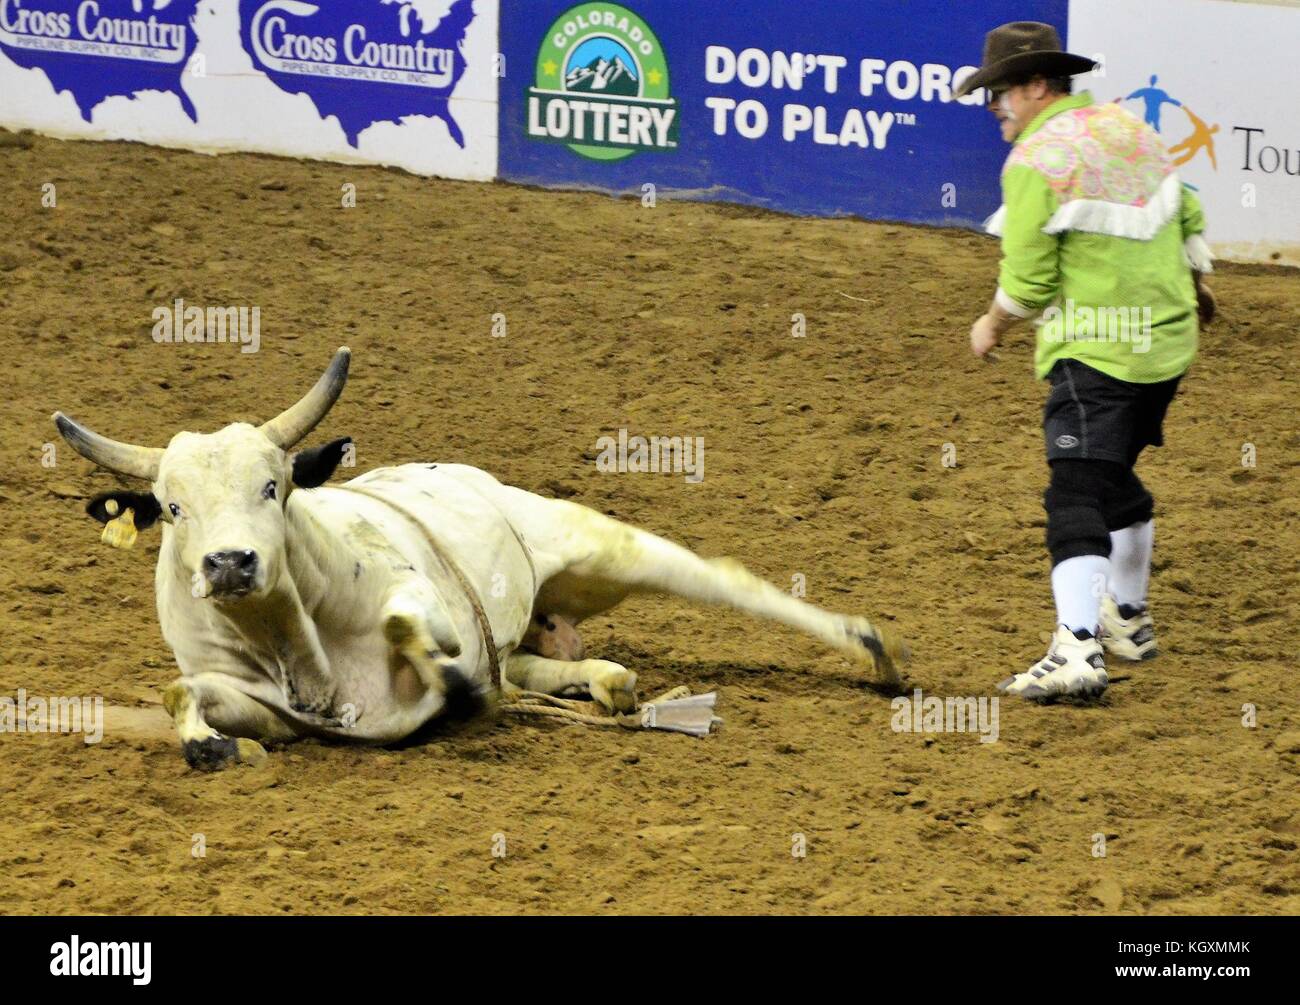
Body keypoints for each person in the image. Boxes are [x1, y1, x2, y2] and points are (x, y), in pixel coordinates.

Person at [954, 22, 1216, 701]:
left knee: (1072, 492)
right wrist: (1198, 280)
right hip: (1166, 347)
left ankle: (1076, 648)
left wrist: (991, 324)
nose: (994, 109)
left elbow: (1031, 282)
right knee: (1109, 478)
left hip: (1095, 350)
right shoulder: (1132, 131)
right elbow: (1187, 210)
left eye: (1001, 94)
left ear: (1038, 86)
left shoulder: (1037, 159)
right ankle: (1127, 620)